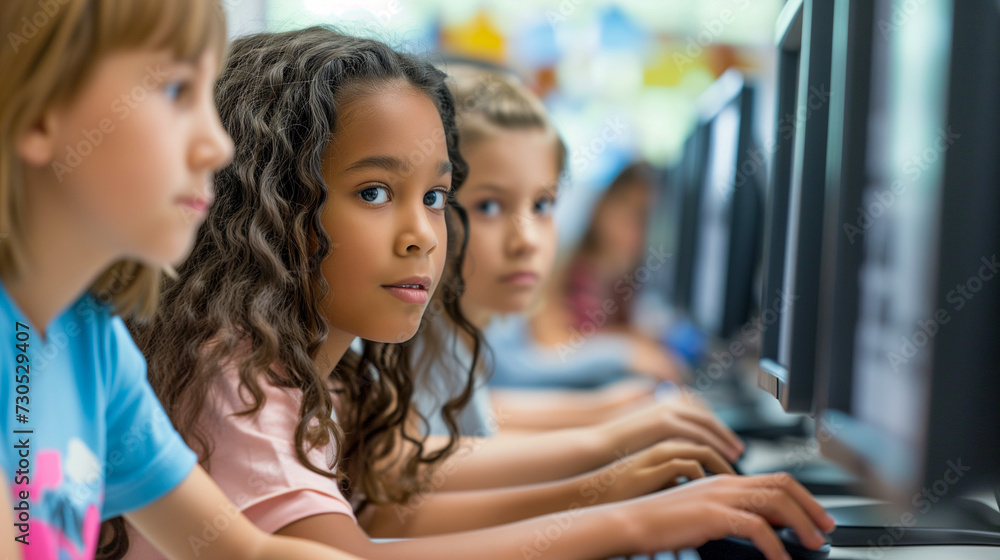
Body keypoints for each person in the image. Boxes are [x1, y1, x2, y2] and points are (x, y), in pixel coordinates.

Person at [115, 29, 834, 560]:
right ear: (268, 208)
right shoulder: (240, 377)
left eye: (434, 196)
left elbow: (386, 503)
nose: (424, 234)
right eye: (374, 192)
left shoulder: (311, 373)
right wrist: (633, 516)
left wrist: (617, 484)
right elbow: (361, 550)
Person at [0, 2, 363, 559]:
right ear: (40, 114)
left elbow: (244, 552)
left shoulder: (90, 339)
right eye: (175, 91)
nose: (217, 146)